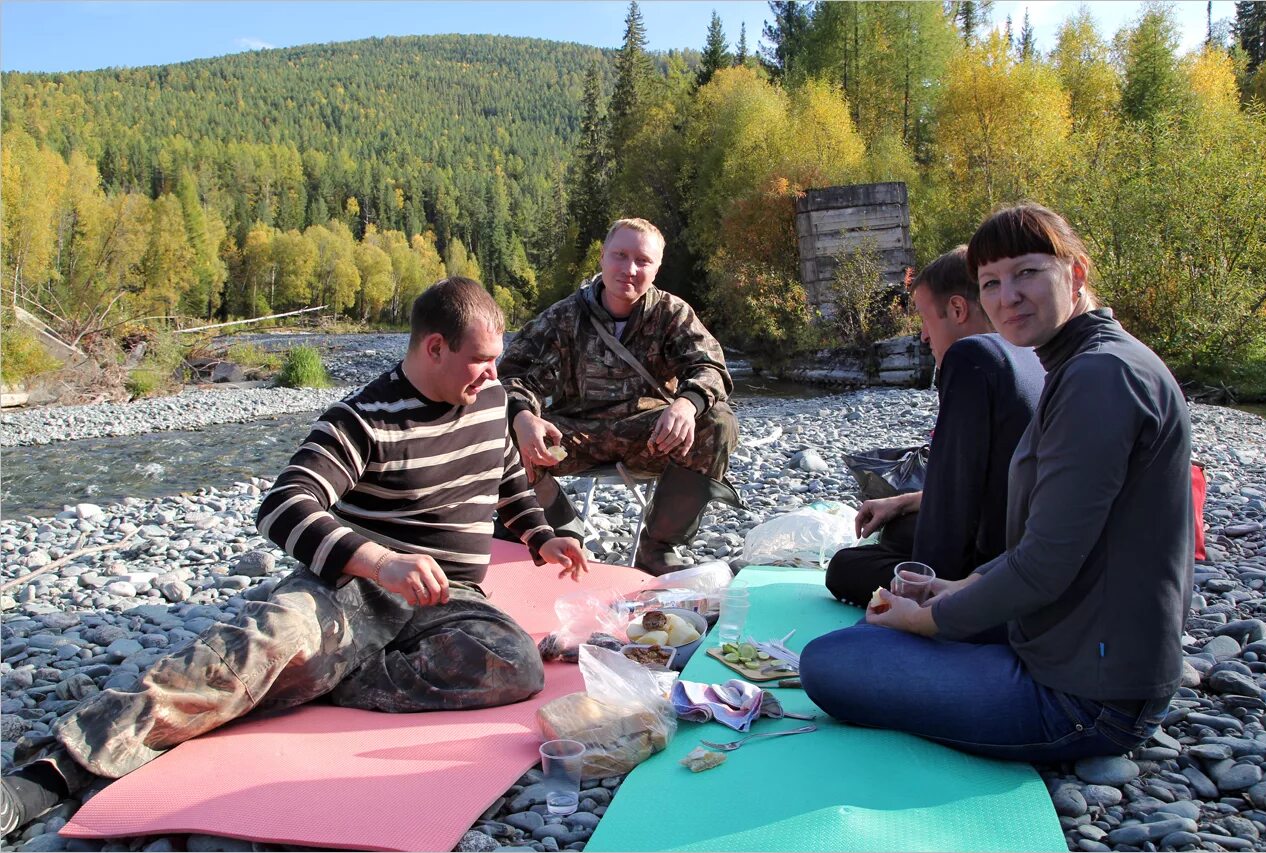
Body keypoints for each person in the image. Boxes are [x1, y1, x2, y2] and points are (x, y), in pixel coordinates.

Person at [0, 277, 588, 837]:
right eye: (482, 359)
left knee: (517, 665)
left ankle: (324, 676)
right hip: (357, 590)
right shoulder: (361, 419)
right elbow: (283, 507)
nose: (493, 374)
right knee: (251, 651)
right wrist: (380, 562)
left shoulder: (491, 399)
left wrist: (539, 536)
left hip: (449, 596)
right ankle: (56, 770)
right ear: (435, 347)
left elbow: (504, 470)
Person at [801, 204, 1193, 761]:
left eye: (1028, 272)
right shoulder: (1083, 363)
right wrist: (957, 589)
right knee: (868, 639)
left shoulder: (1101, 377)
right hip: (1070, 641)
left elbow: (1044, 564)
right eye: (991, 281)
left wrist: (933, 619)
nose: (1007, 295)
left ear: (1076, 273)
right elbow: (1048, 543)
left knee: (828, 663)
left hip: (1090, 697)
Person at [499, 218, 741, 576]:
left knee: (718, 421)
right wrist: (523, 416)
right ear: (602, 257)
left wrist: (686, 405)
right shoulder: (564, 317)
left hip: (650, 435)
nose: (629, 269)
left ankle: (659, 547)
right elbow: (511, 375)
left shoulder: (672, 314)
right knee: (497, 427)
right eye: (620, 256)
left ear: (657, 268)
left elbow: (711, 368)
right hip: (572, 435)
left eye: (642, 261)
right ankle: (555, 528)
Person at [825, 247, 1044, 605]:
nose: (924, 337)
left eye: (926, 320)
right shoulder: (1030, 350)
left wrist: (926, 598)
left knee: (845, 566)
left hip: (988, 568)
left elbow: (953, 513)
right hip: (1021, 537)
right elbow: (988, 484)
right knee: (896, 526)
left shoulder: (971, 358)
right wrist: (904, 502)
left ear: (957, 309)